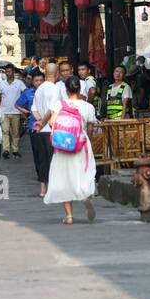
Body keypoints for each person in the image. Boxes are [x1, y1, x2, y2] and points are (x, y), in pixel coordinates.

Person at [40, 76, 99, 224]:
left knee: (64, 178)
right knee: (83, 173)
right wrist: (86, 139)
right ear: (79, 89)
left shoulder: (59, 104)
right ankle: (85, 196)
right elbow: (91, 128)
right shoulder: (88, 107)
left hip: (63, 145)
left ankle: (69, 216)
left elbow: (52, 123)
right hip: (81, 144)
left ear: (66, 90)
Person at [29, 62, 67, 197]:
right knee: (53, 160)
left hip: (39, 131)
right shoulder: (55, 89)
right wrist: (44, 122)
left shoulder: (39, 88)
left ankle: (43, 190)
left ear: (45, 74)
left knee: (42, 160)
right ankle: (53, 188)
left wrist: (39, 121)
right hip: (51, 130)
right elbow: (52, 109)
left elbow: (33, 109)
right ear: (57, 74)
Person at [0, 65, 27, 159]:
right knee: (5, 131)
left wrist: (23, 106)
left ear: (13, 72)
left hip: (16, 111)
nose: (8, 73)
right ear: (5, 73)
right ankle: (6, 150)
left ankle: (15, 150)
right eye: (7, 72)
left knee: (15, 132)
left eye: (10, 71)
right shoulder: (2, 84)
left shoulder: (19, 83)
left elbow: (25, 93)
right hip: (4, 111)